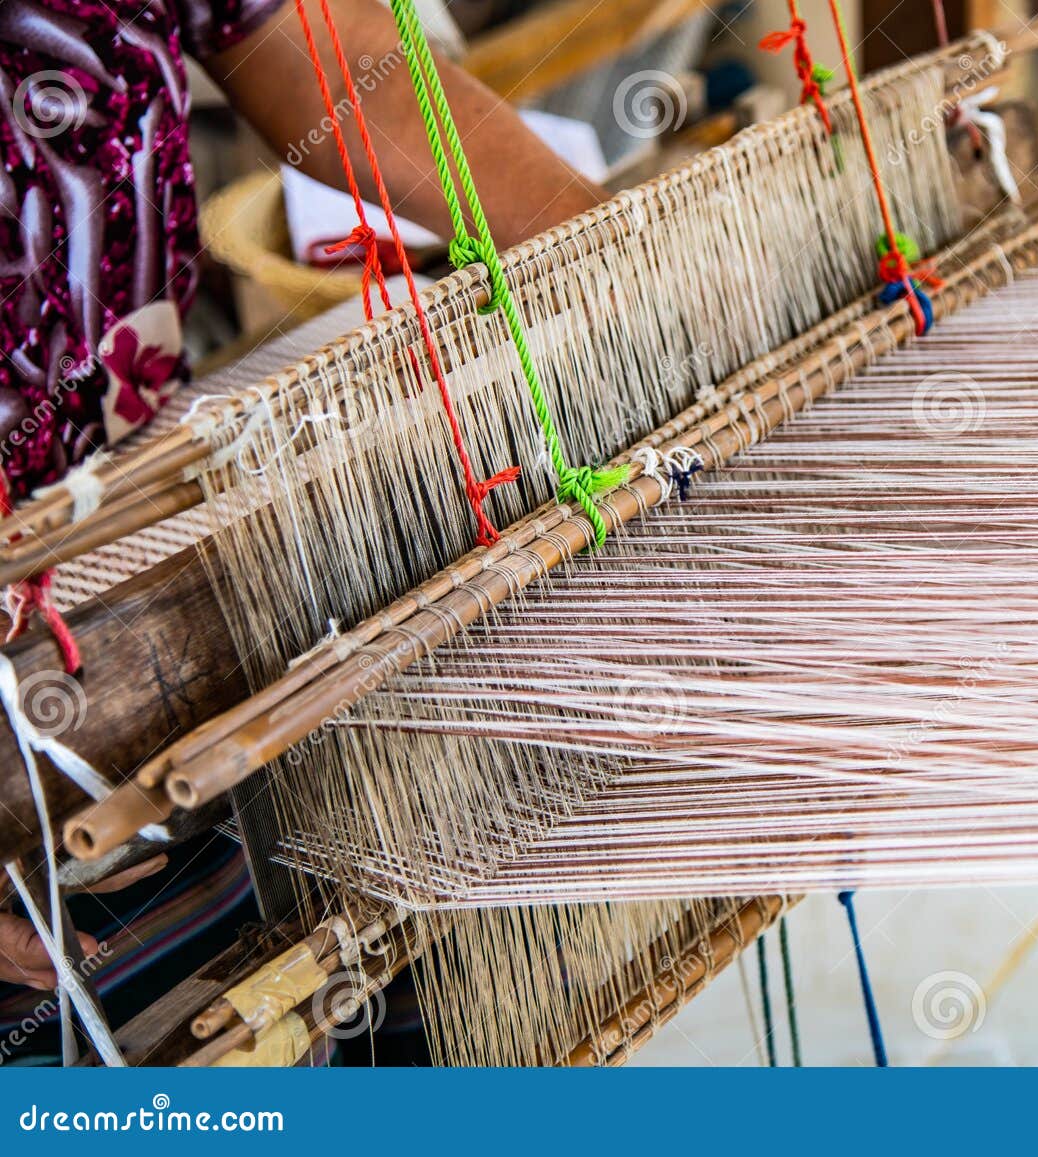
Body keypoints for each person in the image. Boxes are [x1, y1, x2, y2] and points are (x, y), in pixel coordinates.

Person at [0, 0, 605, 1061]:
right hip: (30, 727)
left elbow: (345, 69)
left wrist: (613, 250)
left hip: (134, 551)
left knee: (305, 985)